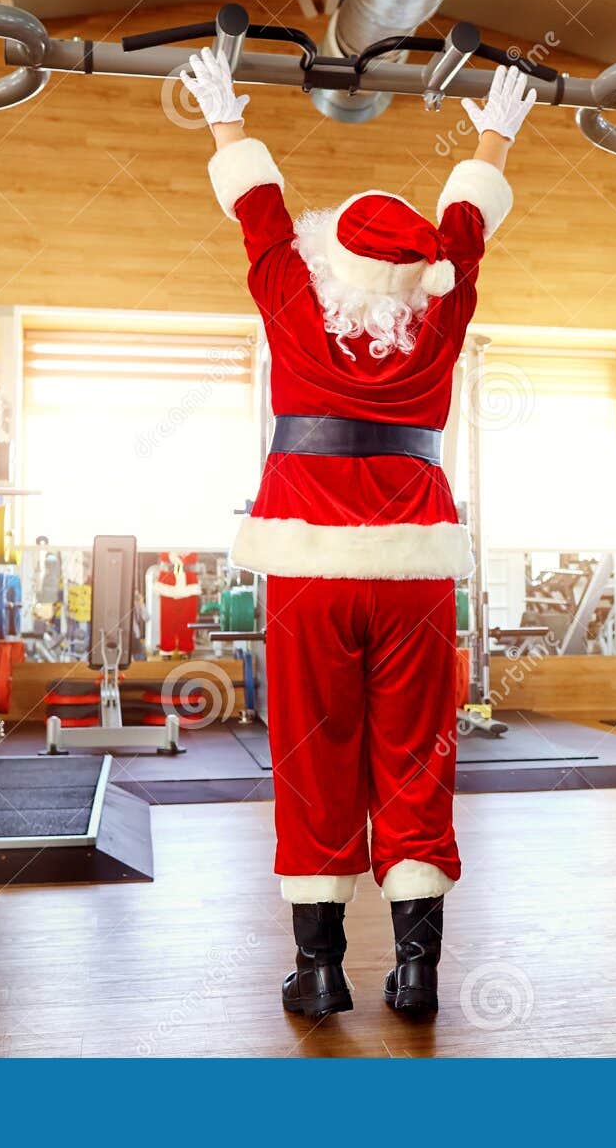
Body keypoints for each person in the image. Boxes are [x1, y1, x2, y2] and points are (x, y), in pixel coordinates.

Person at [177, 50, 534, 1017]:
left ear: (327, 255)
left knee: (314, 747)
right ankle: (417, 970)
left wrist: (225, 117)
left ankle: (321, 967)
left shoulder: (297, 297)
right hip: (417, 566)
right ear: (417, 273)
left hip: (309, 561)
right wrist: (495, 131)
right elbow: (467, 224)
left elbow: (258, 209)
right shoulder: (443, 307)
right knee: (418, 751)